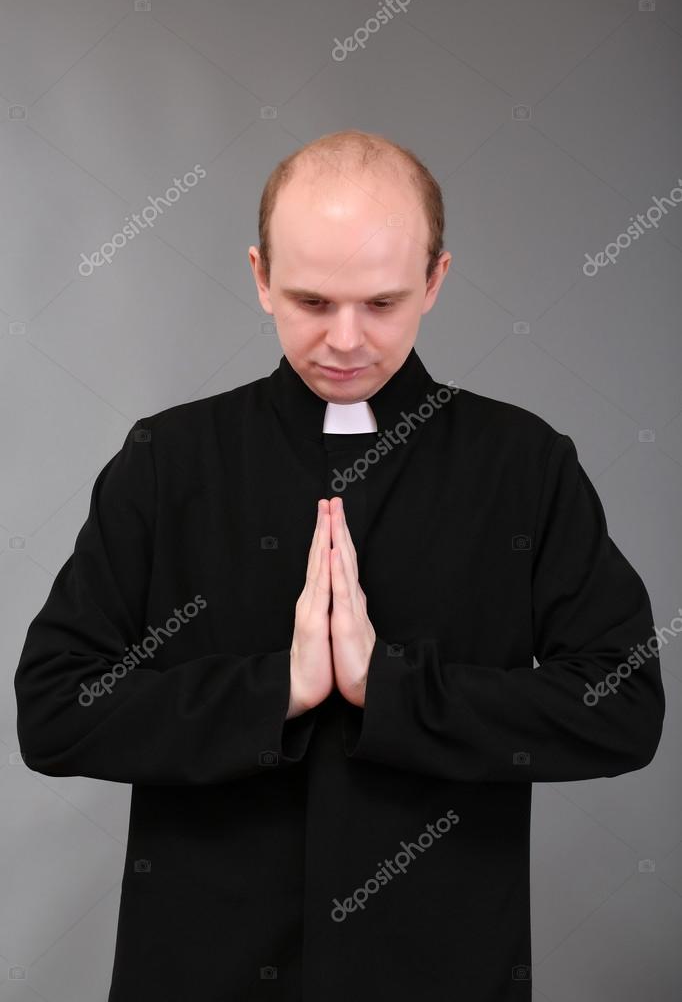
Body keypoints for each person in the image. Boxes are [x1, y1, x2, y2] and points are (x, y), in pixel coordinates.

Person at [15, 129, 665, 1001]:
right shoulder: (168, 458)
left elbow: (623, 706)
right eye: (312, 300)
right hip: (200, 972)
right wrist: (276, 689)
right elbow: (53, 709)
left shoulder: (525, 464)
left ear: (435, 280)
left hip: (444, 974)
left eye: (383, 303)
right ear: (259, 277)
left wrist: (388, 688)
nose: (346, 340)